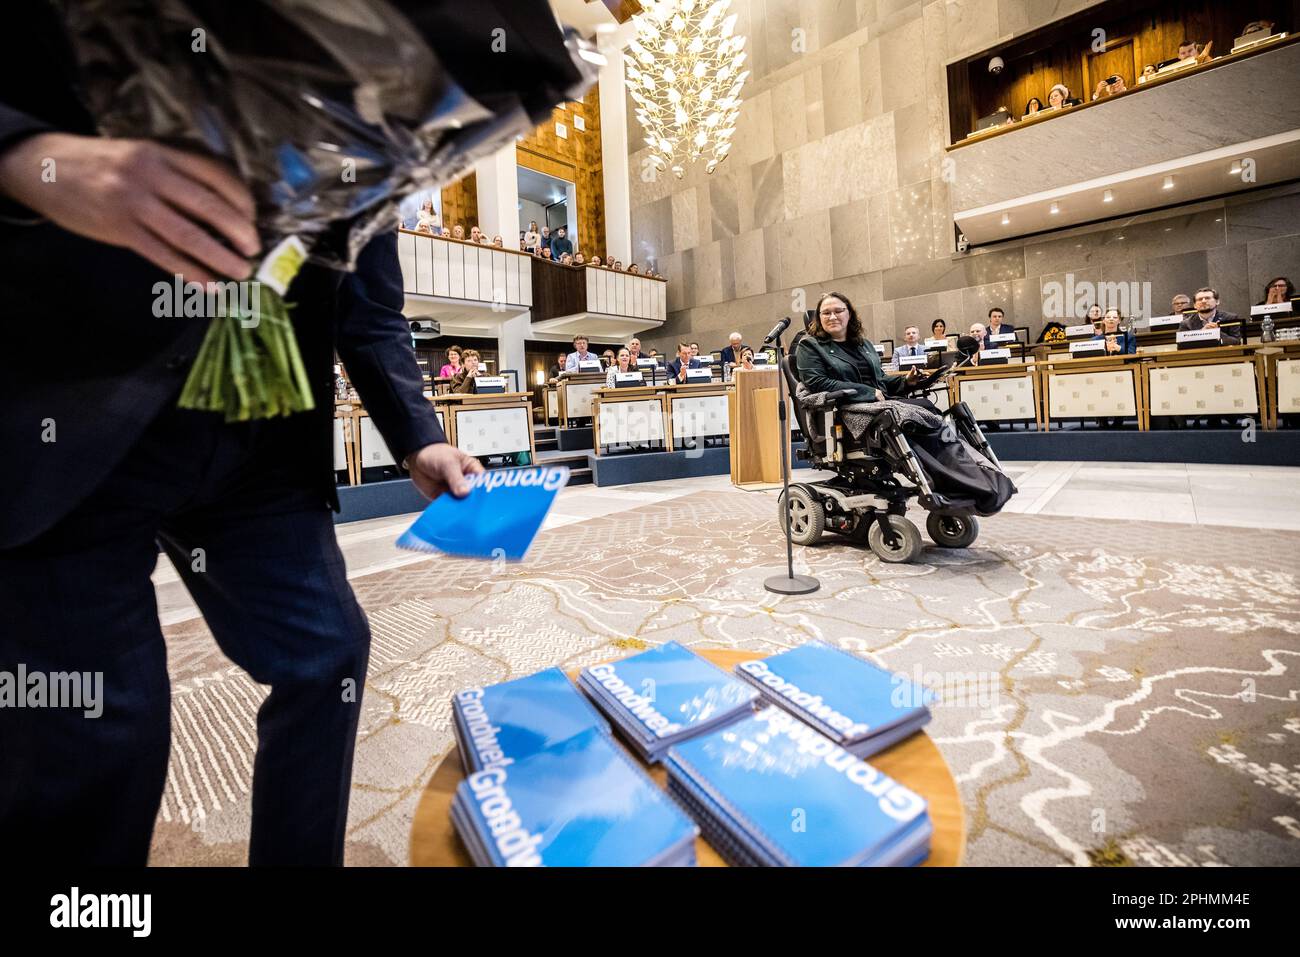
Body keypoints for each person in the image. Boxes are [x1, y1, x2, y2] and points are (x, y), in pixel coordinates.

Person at [0, 14, 483, 866]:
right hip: (76, 411)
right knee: (101, 735)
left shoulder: (373, 63)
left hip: (260, 435)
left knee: (326, 655)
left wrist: (418, 438)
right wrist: (34, 160)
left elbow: (368, 306)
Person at [795, 292, 930, 409]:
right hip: (848, 408)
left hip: (879, 405)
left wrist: (906, 381)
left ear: (849, 314)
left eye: (838, 311)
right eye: (826, 313)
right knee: (924, 412)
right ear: (819, 318)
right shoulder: (809, 346)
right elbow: (817, 383)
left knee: (927, 407)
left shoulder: (864, 344)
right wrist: (867, 392)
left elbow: (880, 379)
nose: (832, 317)